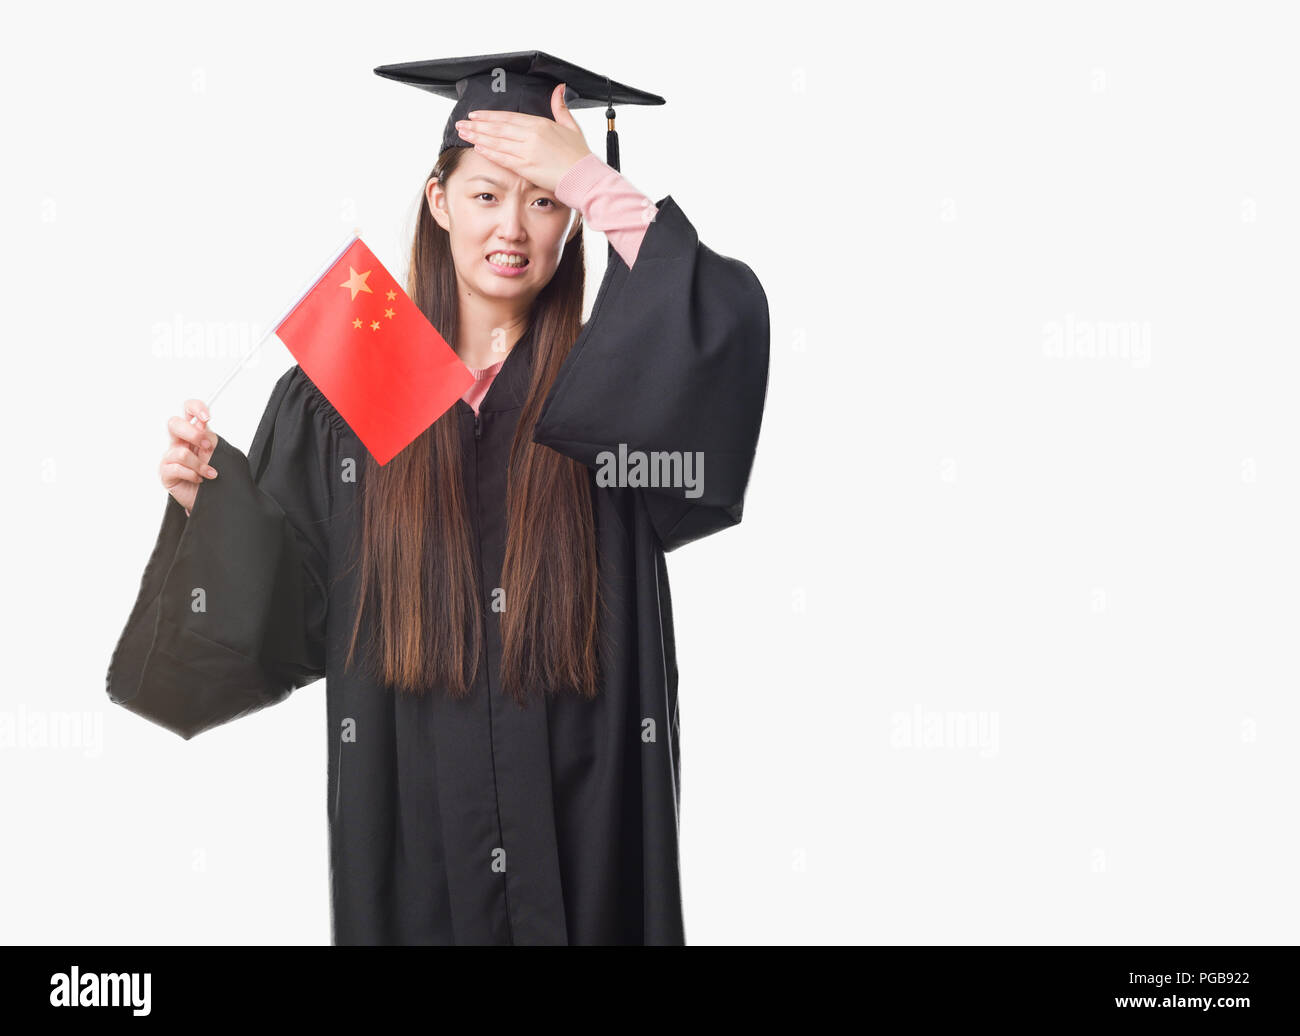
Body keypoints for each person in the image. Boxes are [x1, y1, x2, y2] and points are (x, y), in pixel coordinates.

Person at [106, 51, 770, 945]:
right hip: (413, 825)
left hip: (589, 814)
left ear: (573, 223)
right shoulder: (363, 378)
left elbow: (717, 330)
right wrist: (205, 507)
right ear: (438, 202)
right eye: (487, 194)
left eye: (542, 201)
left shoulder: (607, 384)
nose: (514, 228)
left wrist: (589, 176)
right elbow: (294, 607)